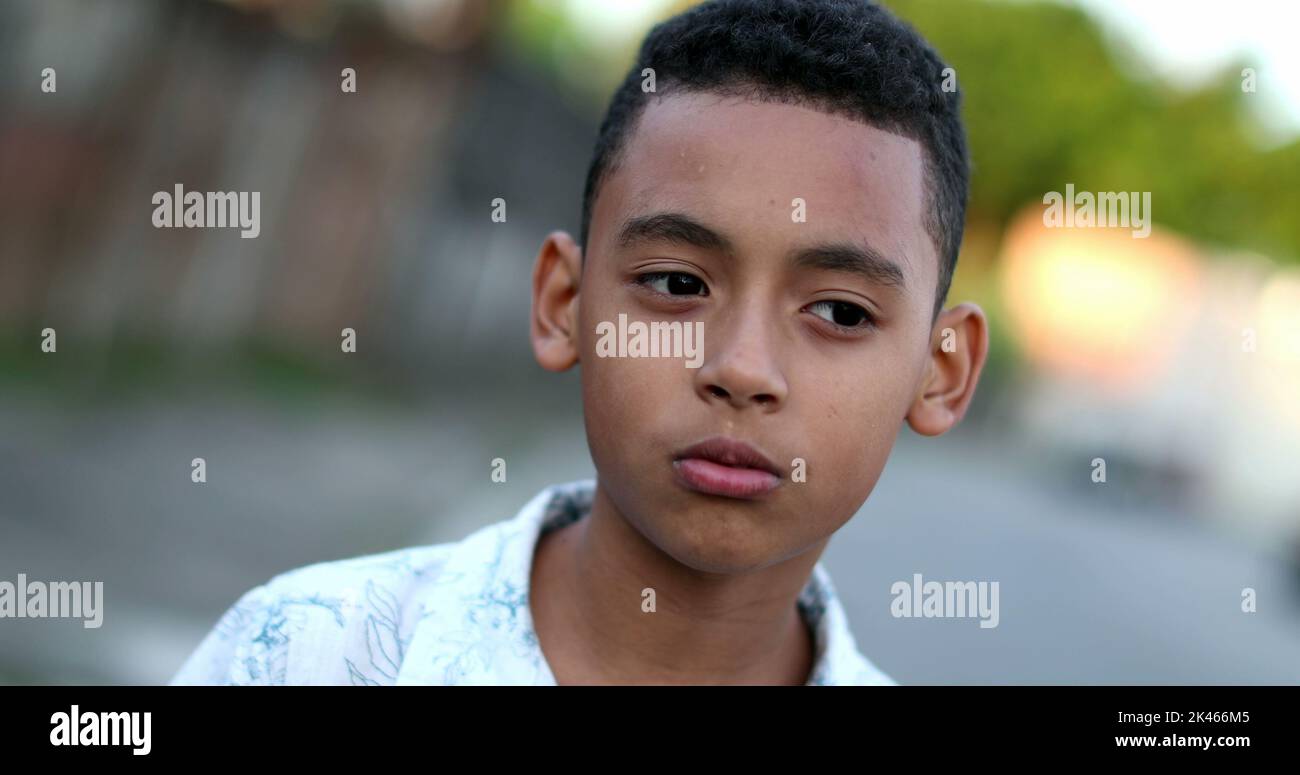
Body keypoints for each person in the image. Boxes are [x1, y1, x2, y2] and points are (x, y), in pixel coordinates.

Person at [171, 0, 988, 686]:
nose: (741, 368)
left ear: (941, 372)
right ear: (565, 303)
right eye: (676, 284)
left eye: (841, 313)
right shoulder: (306, 652)